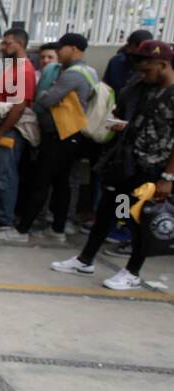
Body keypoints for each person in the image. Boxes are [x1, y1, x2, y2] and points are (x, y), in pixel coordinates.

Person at [53, 39, 174, 289]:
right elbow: (129, 114)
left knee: (139, 218)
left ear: (163, 64)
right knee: (110, 211)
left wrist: (168, 178)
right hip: (126, 163)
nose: (142, 74)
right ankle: (85, 260)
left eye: (147, 70)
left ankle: (132, 271)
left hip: (153, 169)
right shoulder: (141, 86)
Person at [0, 33, 97, 244]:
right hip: (72, 134)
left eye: (62, 48)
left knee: (41, 182)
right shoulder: (90, 73)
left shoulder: (72, 75)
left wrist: (45, 94)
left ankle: (22, 230)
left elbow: (45, 100)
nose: (59, 52)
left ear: (75, 49)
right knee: (62, 183)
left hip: (59, 134)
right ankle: (58, 229)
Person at [0, 28, 38, 230]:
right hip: (3, 124)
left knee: (6, 174)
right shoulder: (13, 68)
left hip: (12, 129)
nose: (2, 47)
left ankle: (4, 217)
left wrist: (1, 131)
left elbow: (19, 107)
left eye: (6, 43)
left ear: (19, 45)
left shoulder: (24, 71)